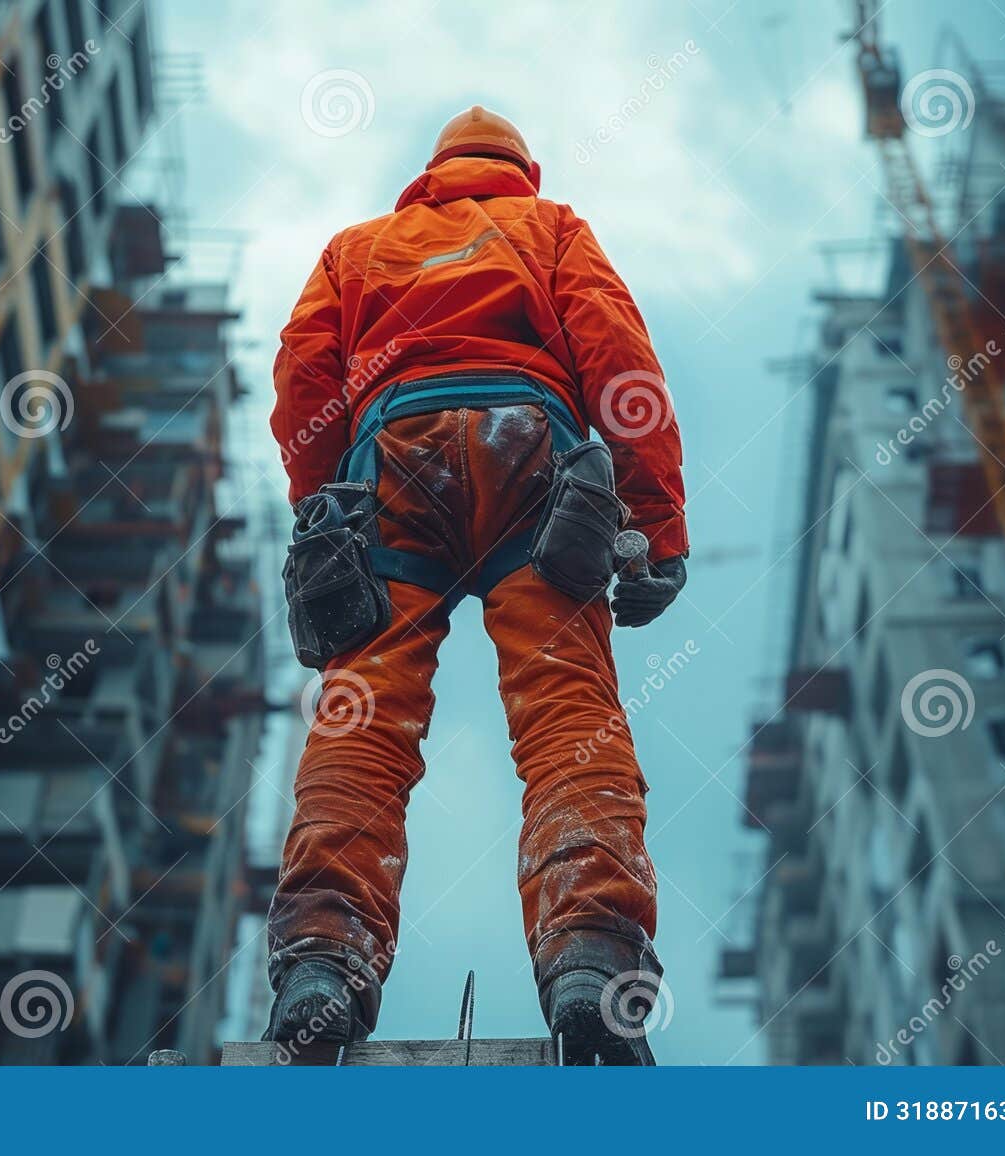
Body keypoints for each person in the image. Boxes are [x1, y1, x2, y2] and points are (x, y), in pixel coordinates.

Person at [266, 105, 687, 1064]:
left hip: (390, 462)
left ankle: (323, 963)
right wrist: (656, 526)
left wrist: (326, 509)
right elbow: (621, 360)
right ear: (519, 170)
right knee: (568, 717)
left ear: (433, 171)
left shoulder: (357, 248)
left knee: (362, 721)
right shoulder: (550, 228)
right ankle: (593, 961)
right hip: (533, 459)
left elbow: (303, 375)